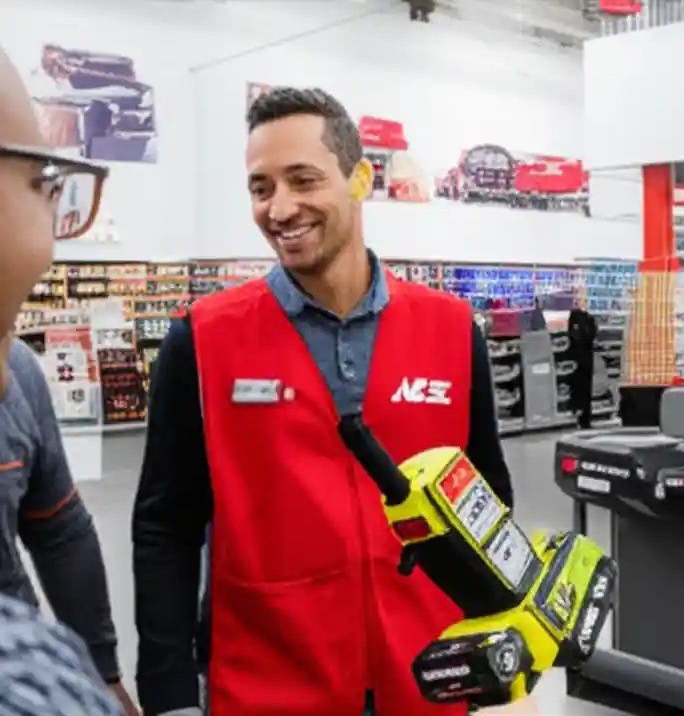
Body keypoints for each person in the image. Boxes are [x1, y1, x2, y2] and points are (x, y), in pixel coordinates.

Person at [133, 87, 514, 716]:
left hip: (431, 677)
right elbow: (165, 528)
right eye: (261, 188)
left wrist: (501, 652)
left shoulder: (451, 330)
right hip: (267, 683)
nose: (280, 208)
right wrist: (169, 693)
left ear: (360, 178)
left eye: (303, 179)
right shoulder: (200, 340)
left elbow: (490, 500)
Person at [0, 46, 138, 716]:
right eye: (43, 182)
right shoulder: (32, 679)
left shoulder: (21, 377)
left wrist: (105, 669)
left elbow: (58, 529)